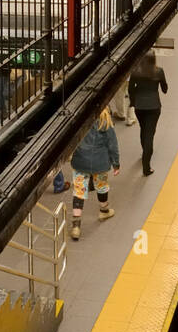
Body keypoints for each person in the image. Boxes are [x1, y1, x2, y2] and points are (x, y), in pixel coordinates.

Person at [69, 108, 119, 240]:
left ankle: (76, 226)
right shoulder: (105, 119)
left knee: (79, 190)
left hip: (80, 160)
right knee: (101, 186)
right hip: (100, 162)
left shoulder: (79, 117)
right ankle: (104, 211)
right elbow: (112, 144)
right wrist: (116, 163)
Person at [128, 50, 168, 176]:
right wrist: (161, 85)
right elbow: (165, 89)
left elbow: (130, 89)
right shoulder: (159, 71)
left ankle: (144, 151)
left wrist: (133, 101)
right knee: (150, 134)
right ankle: (146, 167)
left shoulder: (136, 71)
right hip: (154, 106)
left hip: (139, 106)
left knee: (143, 129)